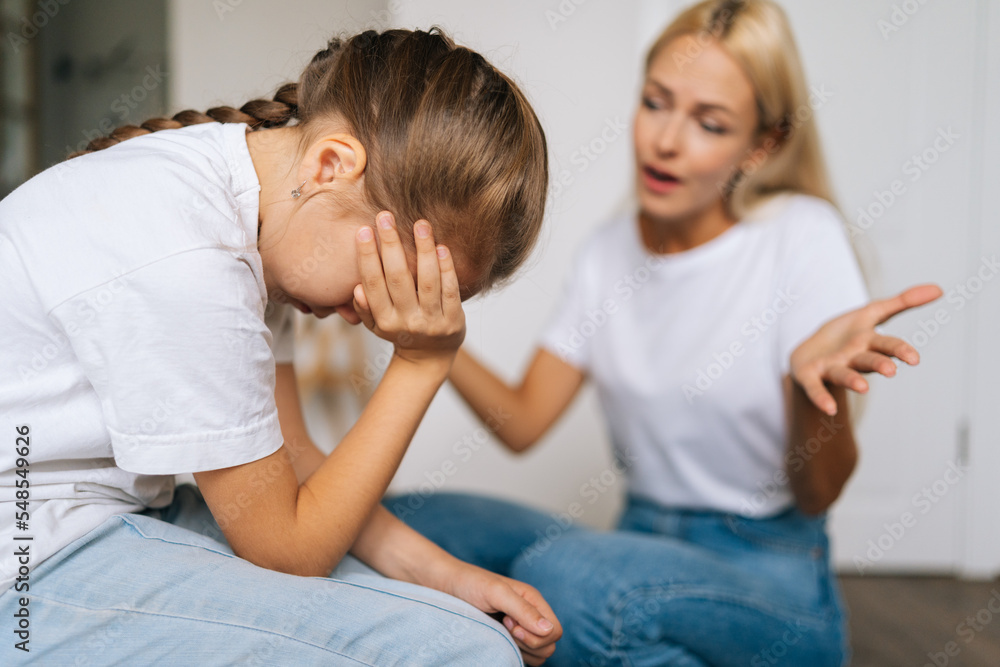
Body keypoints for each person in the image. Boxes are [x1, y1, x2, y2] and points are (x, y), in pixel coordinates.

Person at [385, 2, 942, 666]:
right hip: (640, 541)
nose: (666, 140)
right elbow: (524, 420)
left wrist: (803, 382)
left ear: (761, 145)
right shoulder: (608, 253)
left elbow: (818, 491)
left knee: (571, 582)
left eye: (710, 123)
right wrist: (432, 339)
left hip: (769, 571)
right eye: (656, 103)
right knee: (408, 520)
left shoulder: (801, 234)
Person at [0, 28, 564, 665]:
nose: (374, 314)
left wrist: (451, 579)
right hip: (25, 561)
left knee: (458, 622)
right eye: (389, 277)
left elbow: (293, 458)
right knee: (467, 653)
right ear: (330, 165)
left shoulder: (250, 218)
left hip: (90, 518)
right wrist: (422, 363)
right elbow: (288, 549)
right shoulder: (190, 255)